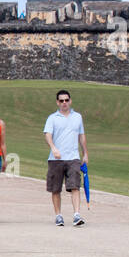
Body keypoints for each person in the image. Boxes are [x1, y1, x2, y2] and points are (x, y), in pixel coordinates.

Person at [43, 89, 88, 226]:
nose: (64, 103)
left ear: (70, 101)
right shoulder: (52, 118)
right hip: (56, 158)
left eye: (66, 100)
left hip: (73, 157)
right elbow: (47, 134)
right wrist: (53, 148)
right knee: (56, 189)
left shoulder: (77, 117)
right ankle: (58, 215)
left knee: (75, 186)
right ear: (57, 102)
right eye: (61, 100)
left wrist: (85, 152)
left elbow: (81, 135)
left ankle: (76, 215)